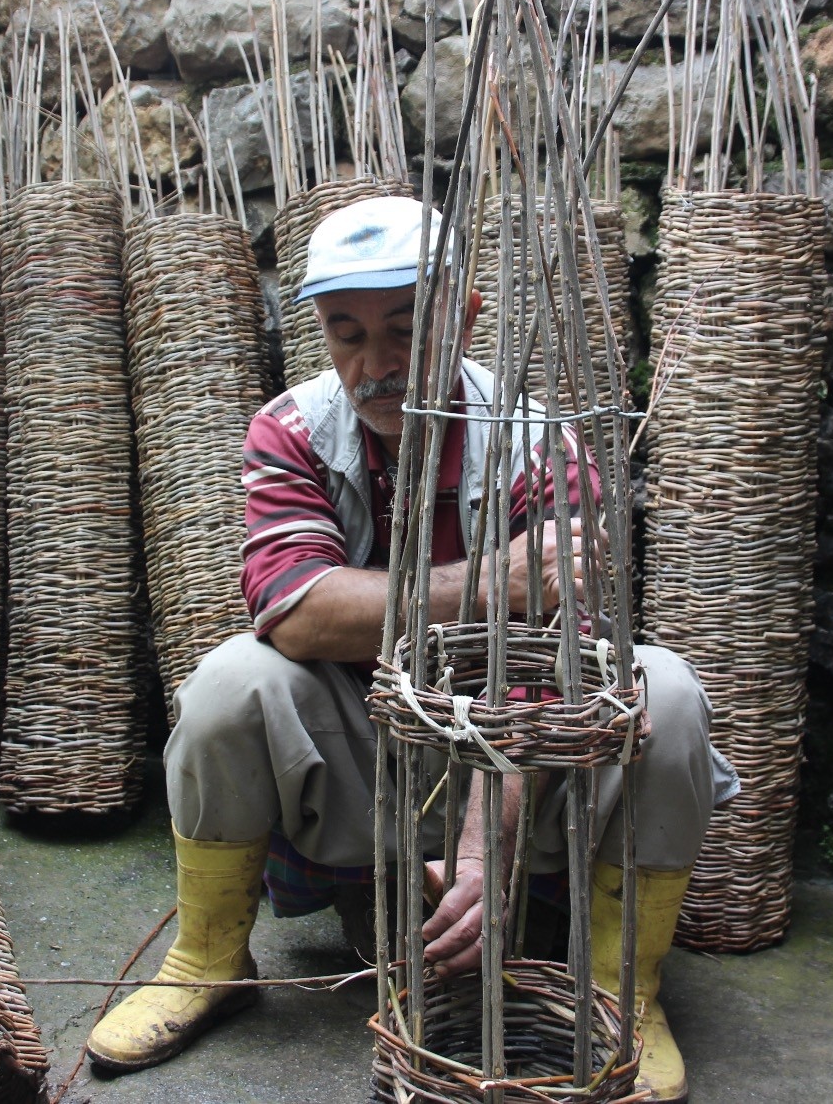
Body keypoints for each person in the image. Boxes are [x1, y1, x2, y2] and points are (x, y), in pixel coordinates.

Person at [86, 197, 738, 1100]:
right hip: (370, 756)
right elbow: (295, 612)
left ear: (465, 315)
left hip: (524, 770)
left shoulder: (541, 443)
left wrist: (482, 849)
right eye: (344, 333)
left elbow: (567, 666)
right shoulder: (294, 429)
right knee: (231, 680)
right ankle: (209, 961)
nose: (376, 365)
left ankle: (619, 991)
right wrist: (489, 585)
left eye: (405, 329)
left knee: (662, 689)